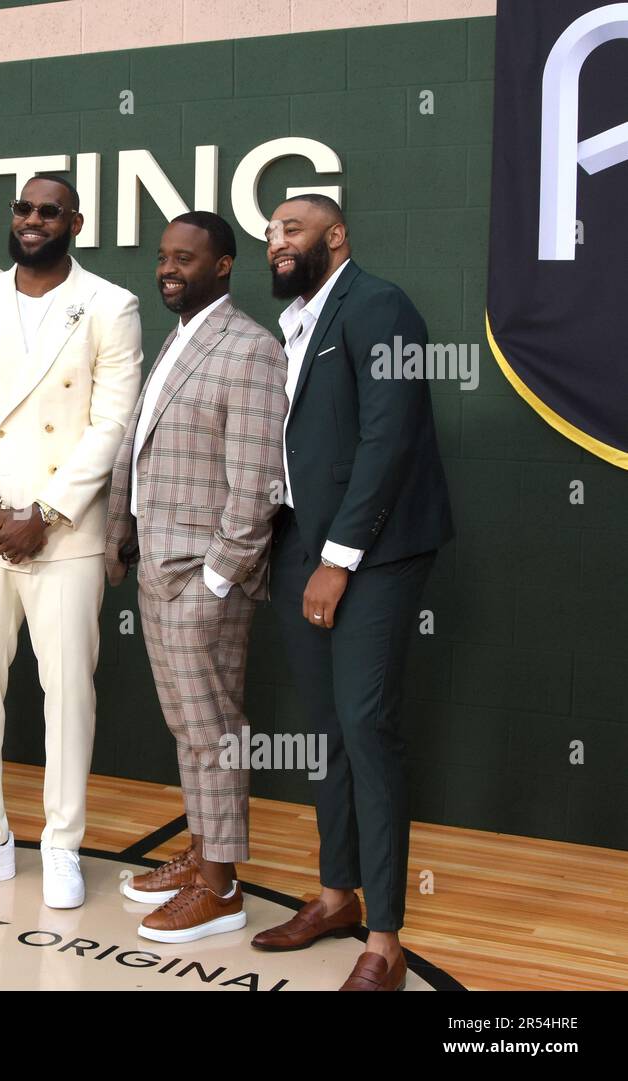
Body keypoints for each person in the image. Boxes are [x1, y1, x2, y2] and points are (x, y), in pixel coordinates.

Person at [0, 176, 142, 908]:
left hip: (65, 531)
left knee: (67, 692)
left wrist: (43, 513)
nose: (34, 220)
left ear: (75, 221)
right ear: (10, 218)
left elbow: (113, 424)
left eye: (50, 210)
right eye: (23, 209)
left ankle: (62, 844)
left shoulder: (111, 305)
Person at [249, 195, 453, 990]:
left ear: (336, 235)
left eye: (291, 229)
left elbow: (390, 433)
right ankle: (335, 894)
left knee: (366, 727)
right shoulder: (297, 323)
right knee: (326, 728)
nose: (278, 243)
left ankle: (385, 938)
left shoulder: (379, 304)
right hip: (302, 545)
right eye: (270, 233)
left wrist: (338, 557)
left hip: (375, 553)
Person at [104, 212, 287, 943]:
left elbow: (257, 485)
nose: (169, 268)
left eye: (186, 257)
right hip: (160, 570)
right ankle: (204, 855)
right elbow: (139, 453)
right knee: (190, 729)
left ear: (224, 266)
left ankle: (221, 889)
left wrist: (219, 576)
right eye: (163, 257)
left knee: (213, 732)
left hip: (203, 580)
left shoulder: (249, 350)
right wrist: (125, 538)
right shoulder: (179, 339)